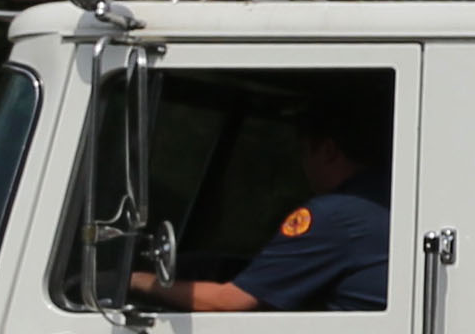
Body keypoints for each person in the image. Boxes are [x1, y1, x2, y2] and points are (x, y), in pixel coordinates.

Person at [136, 114, 391, 312]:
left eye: (303, 152)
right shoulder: (387, 198)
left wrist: (134, 281)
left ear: (327, 150)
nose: (302, 166)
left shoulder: (335, 215)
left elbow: (228, 303)